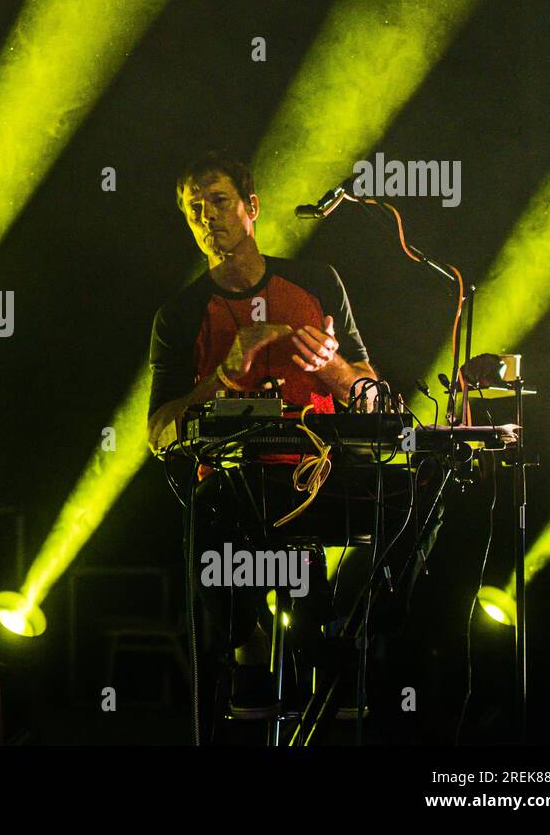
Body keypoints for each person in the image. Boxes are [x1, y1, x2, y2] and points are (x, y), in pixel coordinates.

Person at [146, 150, 377, 736]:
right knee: (220, 547)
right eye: (195, 211)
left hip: (317, 477)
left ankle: (333, 652)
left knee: (400, 514)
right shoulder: (179, 314)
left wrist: (331, 369)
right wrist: (223, 376)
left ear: (252, 209)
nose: (208, 219)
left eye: (220, 203)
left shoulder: (316, 281)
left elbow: (372, 398)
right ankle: (249, 650)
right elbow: (159, 433)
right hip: (233, 486)